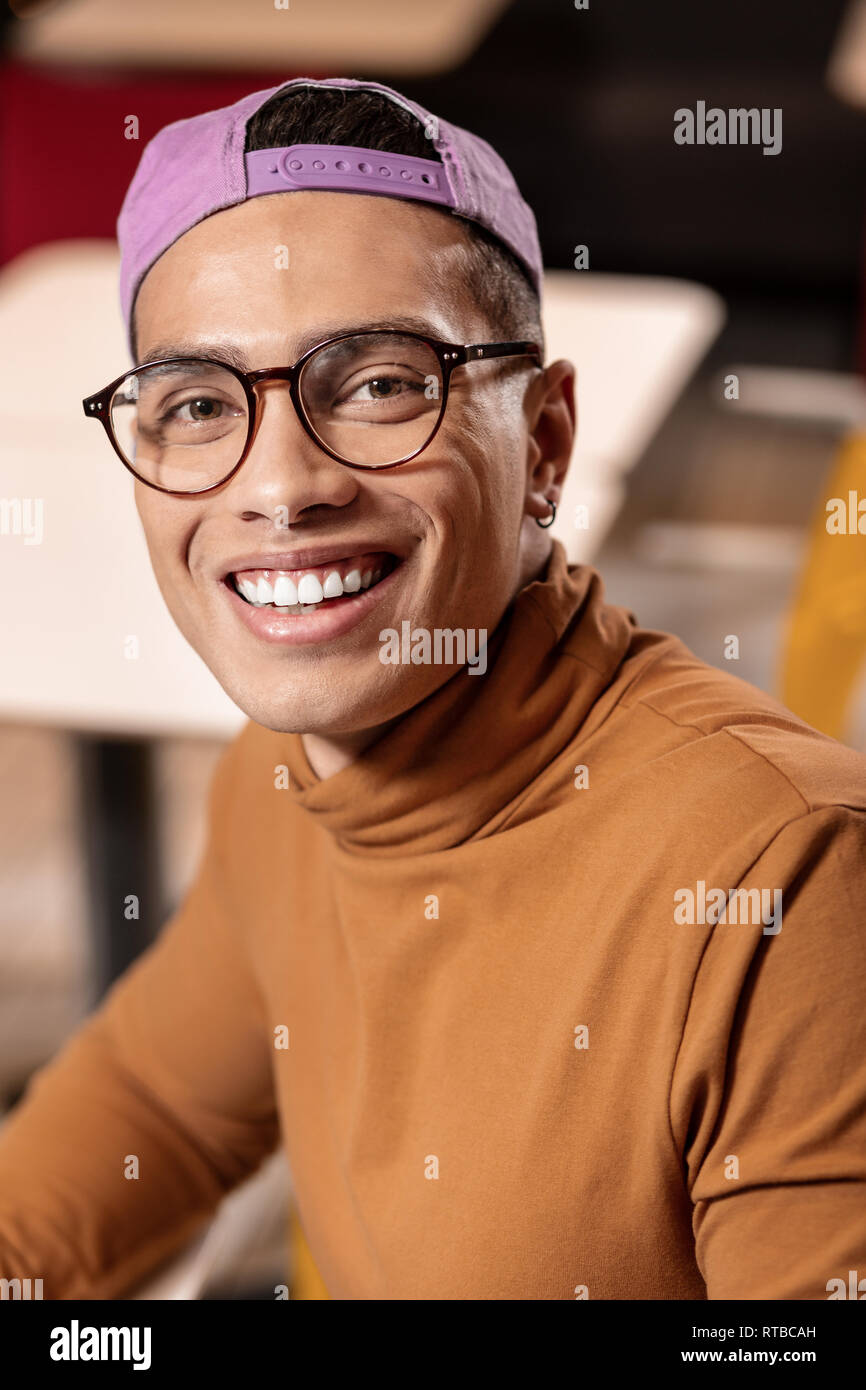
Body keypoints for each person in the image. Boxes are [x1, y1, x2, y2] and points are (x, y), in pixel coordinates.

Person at [1, 75, 864, 1301]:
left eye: (377, 383)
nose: (280, 485)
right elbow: (158, 1107)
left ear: (545, 444)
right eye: (197, 404)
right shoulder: (291, 767)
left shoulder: (784, 878)